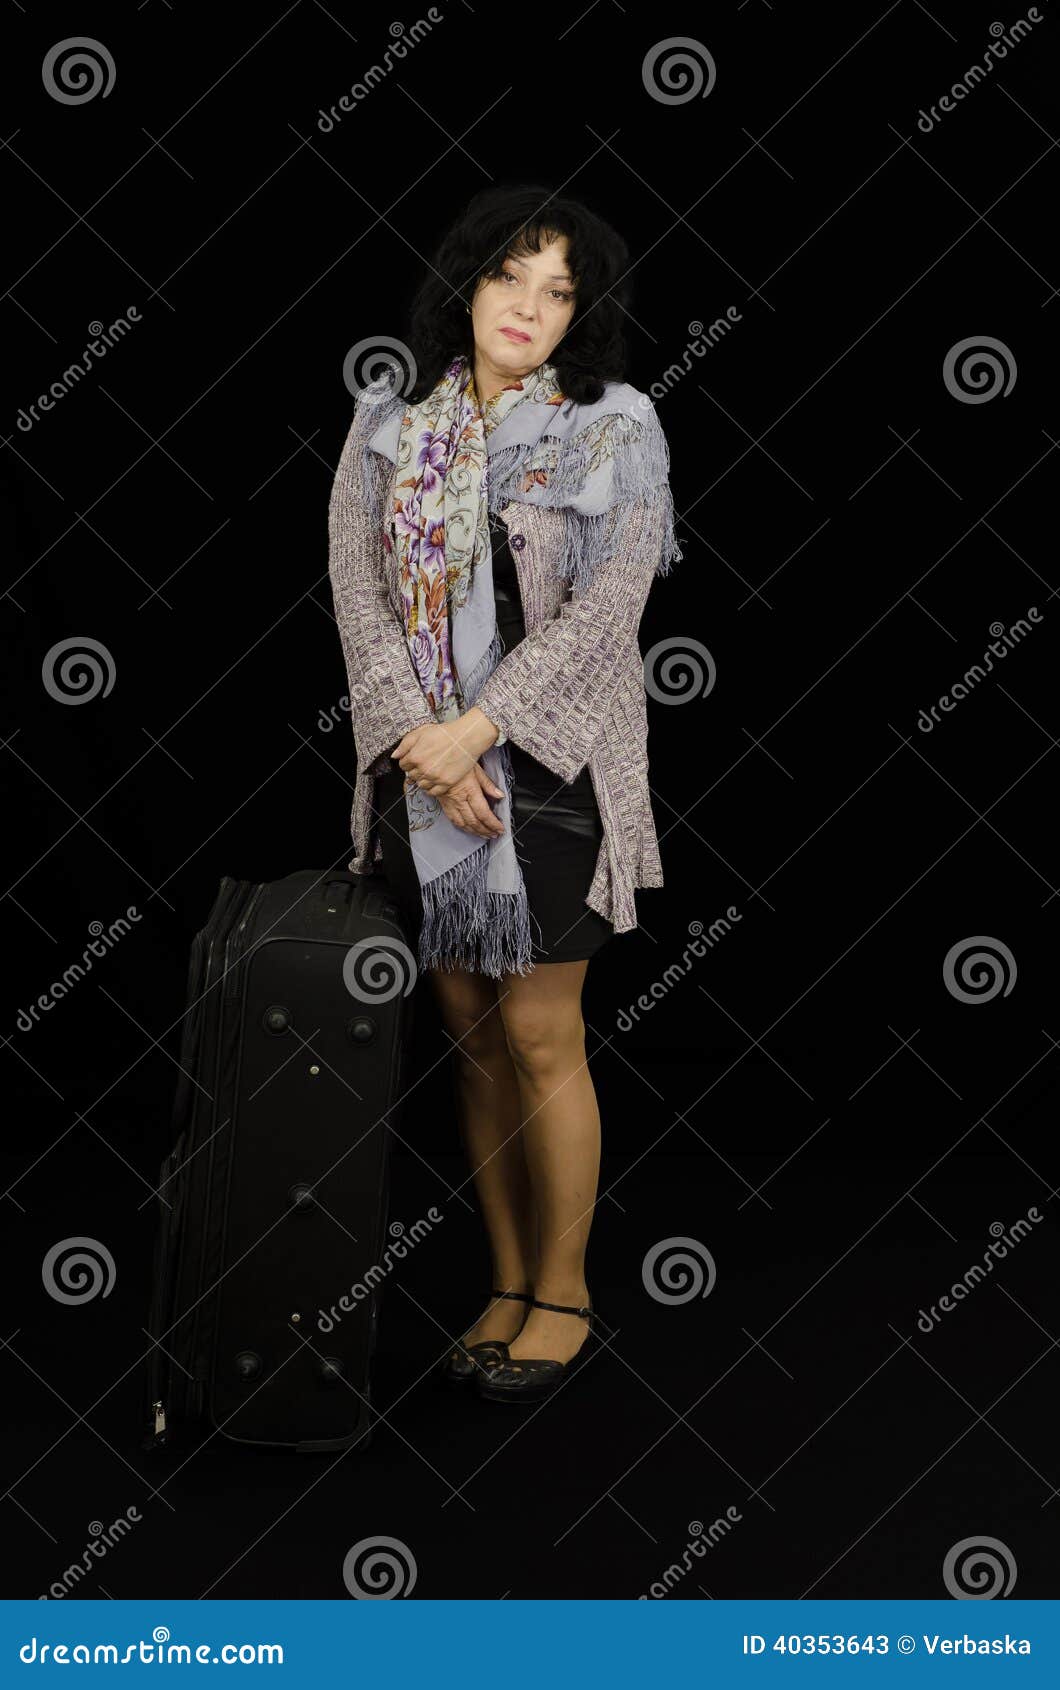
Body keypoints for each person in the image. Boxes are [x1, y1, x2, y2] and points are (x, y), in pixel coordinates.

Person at [327, 183, 680, 1405]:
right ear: (466, 283)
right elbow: (358, 602)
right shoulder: (388, 422)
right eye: (509, 275)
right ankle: (505, 1280)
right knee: (470, 1042)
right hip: (424, 772)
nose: (527, 305)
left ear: (580, 316)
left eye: (558, 290)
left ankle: (567, 1291)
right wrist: (428, 744)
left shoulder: (613, 426)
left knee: (538, 1037)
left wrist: (483, 727)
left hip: (552, 768)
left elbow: (610, 607)